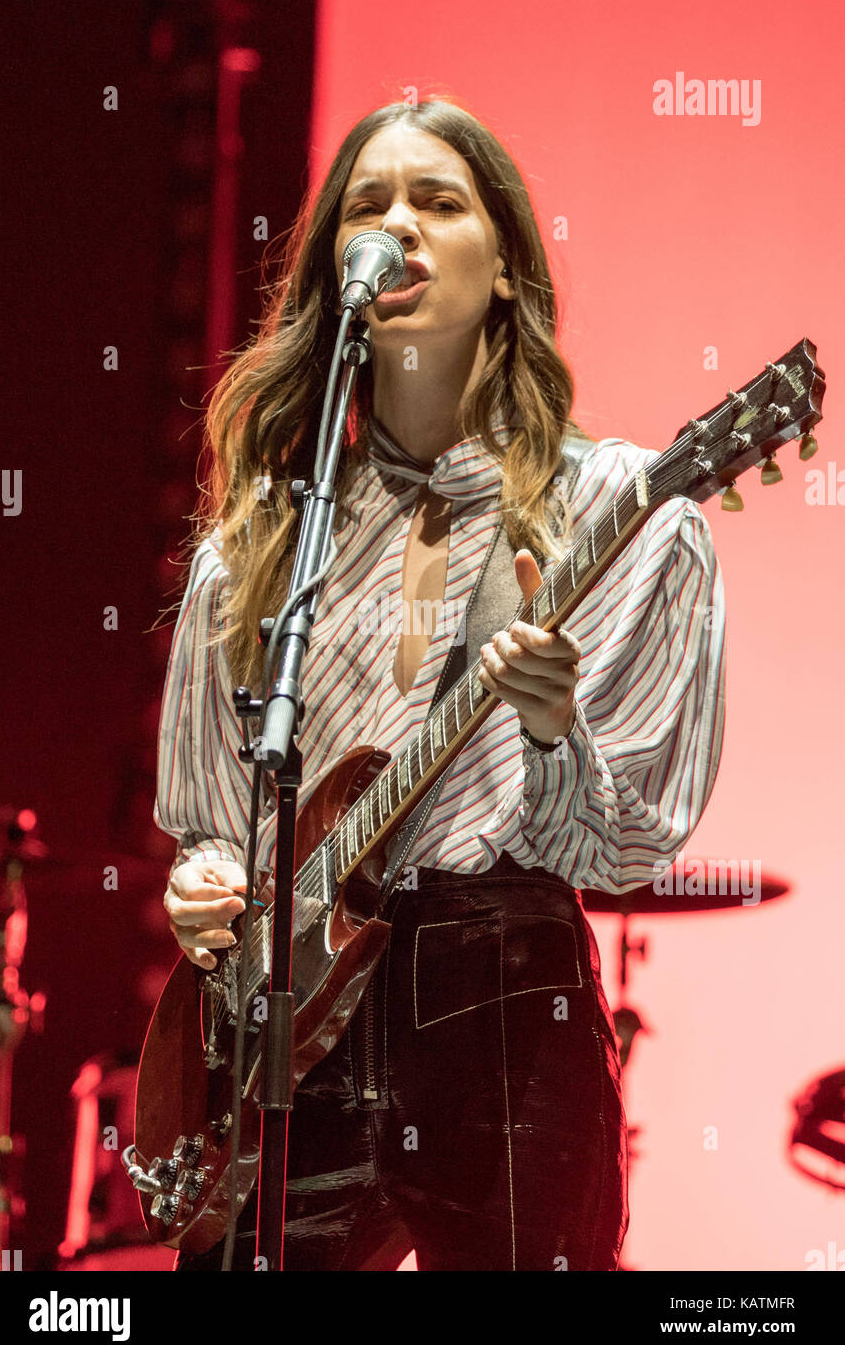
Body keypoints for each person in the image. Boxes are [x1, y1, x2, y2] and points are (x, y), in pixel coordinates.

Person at [155, 97, 726, 1271]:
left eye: (435, 201)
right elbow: (214, 825)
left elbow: (621, 854)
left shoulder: (619, 517)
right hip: (286, 1024)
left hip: (501, 999)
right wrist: (206, 886)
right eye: (366, 207)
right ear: (333, 276)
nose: (396, 228)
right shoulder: (261, 543)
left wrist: (553, 729)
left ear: (506, 267)